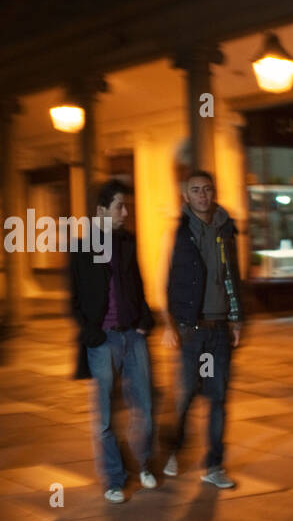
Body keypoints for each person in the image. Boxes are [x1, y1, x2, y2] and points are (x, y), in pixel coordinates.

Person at [70, 179, 156, 503]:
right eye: (119, 205)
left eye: (126, 205)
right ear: (101, 211)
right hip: (102, 341)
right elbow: (74, 300)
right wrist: (90, 332)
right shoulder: (81, 248)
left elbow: (138, 285)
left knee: (144, 409)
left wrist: (145, 320)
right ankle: (114, 479)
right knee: (105, 416)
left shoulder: (127, 243)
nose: (125, 211)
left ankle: (145, 464)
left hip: (133, 337)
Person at [162, 169, 242, 489]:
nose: (202, 195)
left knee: (218, 396)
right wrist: (171, 323)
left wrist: (236, 318)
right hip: (192, 329)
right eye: (195, 190)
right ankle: (173, 449)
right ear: (186, 195)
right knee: (187, 395)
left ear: (214, 192)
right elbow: (171, 282)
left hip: (220, 328)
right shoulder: (181, 232)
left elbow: (231, 276)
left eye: (207, 189)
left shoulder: (225, 228)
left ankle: (214, 465)